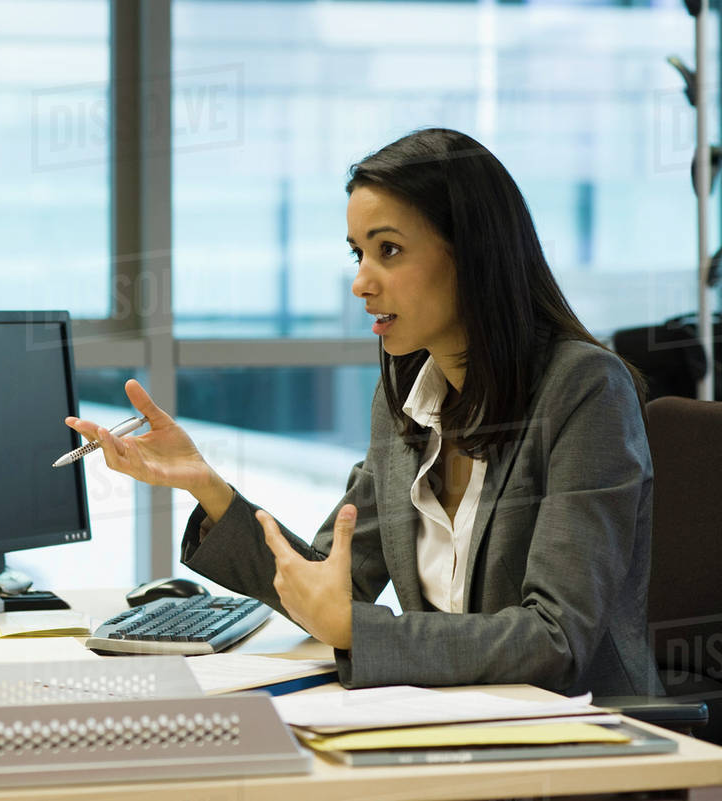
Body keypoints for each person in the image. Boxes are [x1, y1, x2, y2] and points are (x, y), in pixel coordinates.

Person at [68, 128, 659, 696]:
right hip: (456, 716)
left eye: (389, 251)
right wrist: (207, 486)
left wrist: (356, 631)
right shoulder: (407, 404)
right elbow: (331, 581)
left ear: (473, 254)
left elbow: (555, 640)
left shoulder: (584, 390)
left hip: (581, 730)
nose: (360, 283)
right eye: (358, 253)